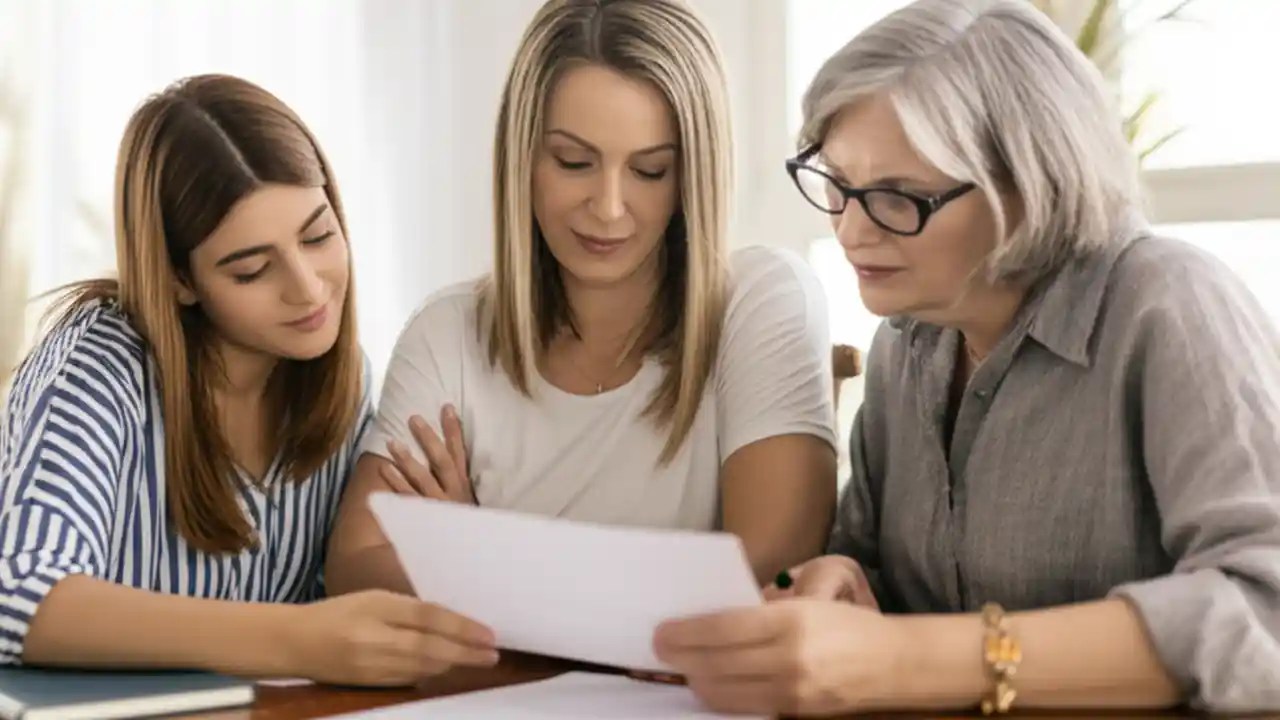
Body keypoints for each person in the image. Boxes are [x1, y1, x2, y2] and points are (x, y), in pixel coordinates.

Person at [652, 0, 1280, 715]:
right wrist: (847, 585)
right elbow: (877, 574)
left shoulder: (1169, 306)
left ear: (1031, 183)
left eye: (898, 196)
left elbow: (1266, 615)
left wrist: (910, 658)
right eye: (837, 182)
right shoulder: (908, 344)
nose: (852, 228)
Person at [326, 0, 838, 598]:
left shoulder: (763, 300)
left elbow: (762, 574)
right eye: (574, 162)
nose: (609, 207)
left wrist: (478, 550)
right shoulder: (450, 333)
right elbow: (356, 574)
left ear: (692, 177)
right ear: (523, 158)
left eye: (650, 171)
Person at [0, 74, 496, 685]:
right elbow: (19, 598)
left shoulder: (340, 383)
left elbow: (348, 596)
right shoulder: (98, 369)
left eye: (319, 236)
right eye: (253, 269)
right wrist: (299, 640)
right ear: (181, 280)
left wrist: (453, 544)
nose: (309, 288)